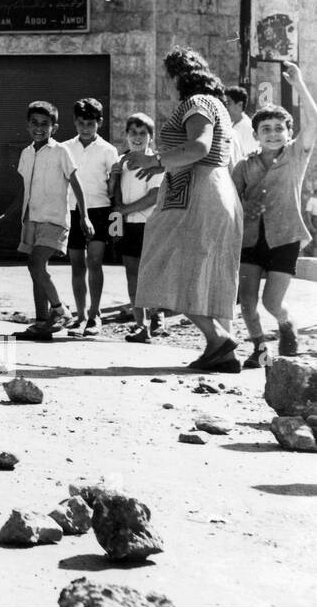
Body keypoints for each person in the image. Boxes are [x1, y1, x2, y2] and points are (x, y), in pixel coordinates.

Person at [129, 46, 244, 373]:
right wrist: (160, 167)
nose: (164, 84)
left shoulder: (196, 103)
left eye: (166, 77)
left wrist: (155, 160)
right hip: (211, 189)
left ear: (177, 76)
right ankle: (221, 349)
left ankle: (218, 338)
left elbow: (198, 147)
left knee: (165, 265)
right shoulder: (216, 105)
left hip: (197, 193)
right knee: (194, 271)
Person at [232, 63, 316, 364]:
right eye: (265, 129)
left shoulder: (296, 155)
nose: (272, 133)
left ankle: (285, 322)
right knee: (247, 300)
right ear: (255, 134)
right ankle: (258, 348)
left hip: (285, 236)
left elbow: (314, 119)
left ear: (288, 133)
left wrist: (299, 82)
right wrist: (243, 205)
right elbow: (229, 198)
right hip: (250, 239)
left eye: (279, 128)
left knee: (271, 302)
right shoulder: (244, 165)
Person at [0, 102, 89, 338]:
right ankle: (42, 323)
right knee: (37, 271)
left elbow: (76, 184)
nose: (39, 128)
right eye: (34, 123)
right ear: (27, 125)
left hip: (54, 219)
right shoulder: (26, 153)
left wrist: (84, 216)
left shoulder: (61, 152)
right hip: (31, 219)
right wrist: (9, 214)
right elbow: (24, 189)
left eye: (45, 124)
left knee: (35, 264)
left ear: (54, 127)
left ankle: (60, 311)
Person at [63, 97, 118, 336]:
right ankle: (80, 315)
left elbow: (114, 185)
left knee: (94, 262)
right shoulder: (65, 148)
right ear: (75, 122)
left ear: (100, 123)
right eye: (82, 123)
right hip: (73, 210)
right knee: (76, 265)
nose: (86, 128)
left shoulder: (108, 150)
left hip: (99, 210)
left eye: (91, 123)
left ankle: (95, 316)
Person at [110, 113, 165, 344]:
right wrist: (114, 177)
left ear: (151, 137)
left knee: (150, 274)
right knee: (132, 275)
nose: (138, 137)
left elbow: (153, 197)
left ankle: (157, 316)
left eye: (143, 133)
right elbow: (115, 196)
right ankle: (140, 325)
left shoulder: (155, 163)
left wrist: (125, 210)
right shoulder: (122, 162)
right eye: (133, 132)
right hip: (129, 226)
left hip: (150, 225)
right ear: (126, 136)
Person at [224, 85, 258, 161]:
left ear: (240, 105)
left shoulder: (248, 128)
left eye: (228, 103)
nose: (225, 107)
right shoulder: (231, 125)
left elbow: (250, 159)